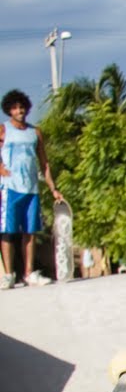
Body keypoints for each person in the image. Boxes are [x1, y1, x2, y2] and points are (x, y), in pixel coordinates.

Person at [0, 89, 63, 290]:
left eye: (22, 107)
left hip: (31, 188)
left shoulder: (35, 132)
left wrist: (53, 189)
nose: (19, 111)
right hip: (10, 189)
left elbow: (44, 163)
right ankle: (9, 275)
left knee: (30, 231)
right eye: (15, 108)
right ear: (9, 110)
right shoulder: (3, 130)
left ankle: (29, 273)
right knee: (8, 231)